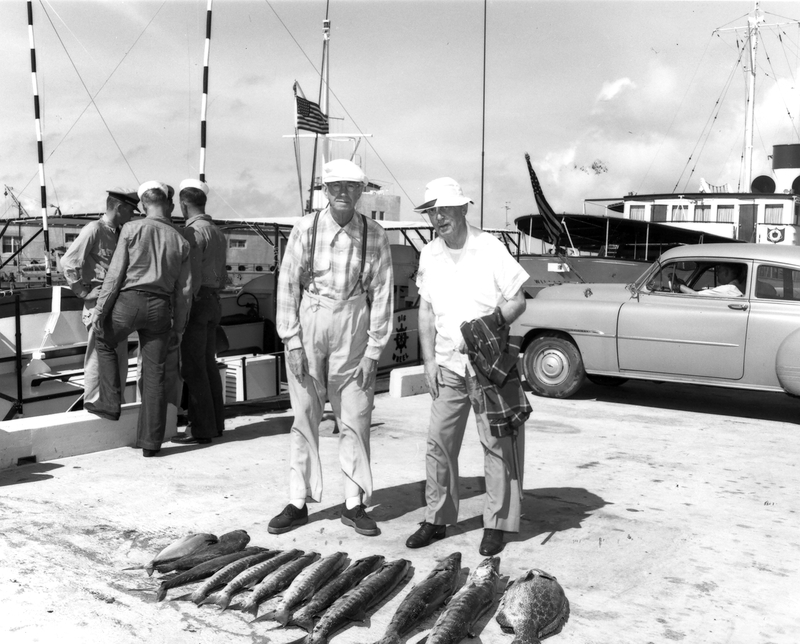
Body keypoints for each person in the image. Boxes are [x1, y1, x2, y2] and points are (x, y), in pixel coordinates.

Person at [405, 177, 530, 557]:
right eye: (432, 211)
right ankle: (437, 518)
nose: (438, 217)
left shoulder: (489, 247)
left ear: (463, 209)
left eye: (444, 209)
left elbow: (518, 300)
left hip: (487, 367)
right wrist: (428, 362)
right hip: (446, 366)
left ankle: (497, 523)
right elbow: (425, 310)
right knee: (438, 444)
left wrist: (485, 327)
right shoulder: (429, 254)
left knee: (497, 445)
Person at [269, 158, 393, 537]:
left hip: (354, 323)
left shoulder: (375, 234)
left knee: (355, 417)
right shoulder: (305, 229)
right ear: (325, 190)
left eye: (351, 187)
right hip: (311, 321)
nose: (343, 193)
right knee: (304, 414)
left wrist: (374, 351)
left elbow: (382, 292)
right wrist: (291, 340)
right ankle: (297, 500)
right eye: (336, 186)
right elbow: (288, 284)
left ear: (361, 192)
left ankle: (354, 503)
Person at [88, 181, 192, 458]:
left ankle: (111, 403)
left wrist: (100, 309)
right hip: (160, 308)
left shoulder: (132, 229)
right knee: (155, 374)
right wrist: (179, 327)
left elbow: (115, 274)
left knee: (105, 340)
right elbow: (185, 292)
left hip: (128, 302)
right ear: (168, 205)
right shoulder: (181, 239)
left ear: (144, 204)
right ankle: (151, 444)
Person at [60, 190, 138, 407]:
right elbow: (68, 262)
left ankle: (115, 404)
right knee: (96, 359)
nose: (132, 215)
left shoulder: (120, 232)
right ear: (119, 207)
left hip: (117, 305)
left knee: (119, 360)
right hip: (97, 305)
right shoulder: (94, 229)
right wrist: (82, 292)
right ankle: (94, 405)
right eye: (130, 210)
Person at [177, 178, 227, 444]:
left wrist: (182, 309)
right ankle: (216, 424)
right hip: (214, 301)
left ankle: (201, 429)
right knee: (208, 366)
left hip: (196, 303)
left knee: (194, 369)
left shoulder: (192, 232)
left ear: (184, 205)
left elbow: (191, 277)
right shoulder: (217, 231)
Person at [679, 263, 744, 297]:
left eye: (719, 271)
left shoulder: (728, 289)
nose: (717, 274)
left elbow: (695, 295)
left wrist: (679, 285)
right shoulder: (738, 286)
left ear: (726, 272)